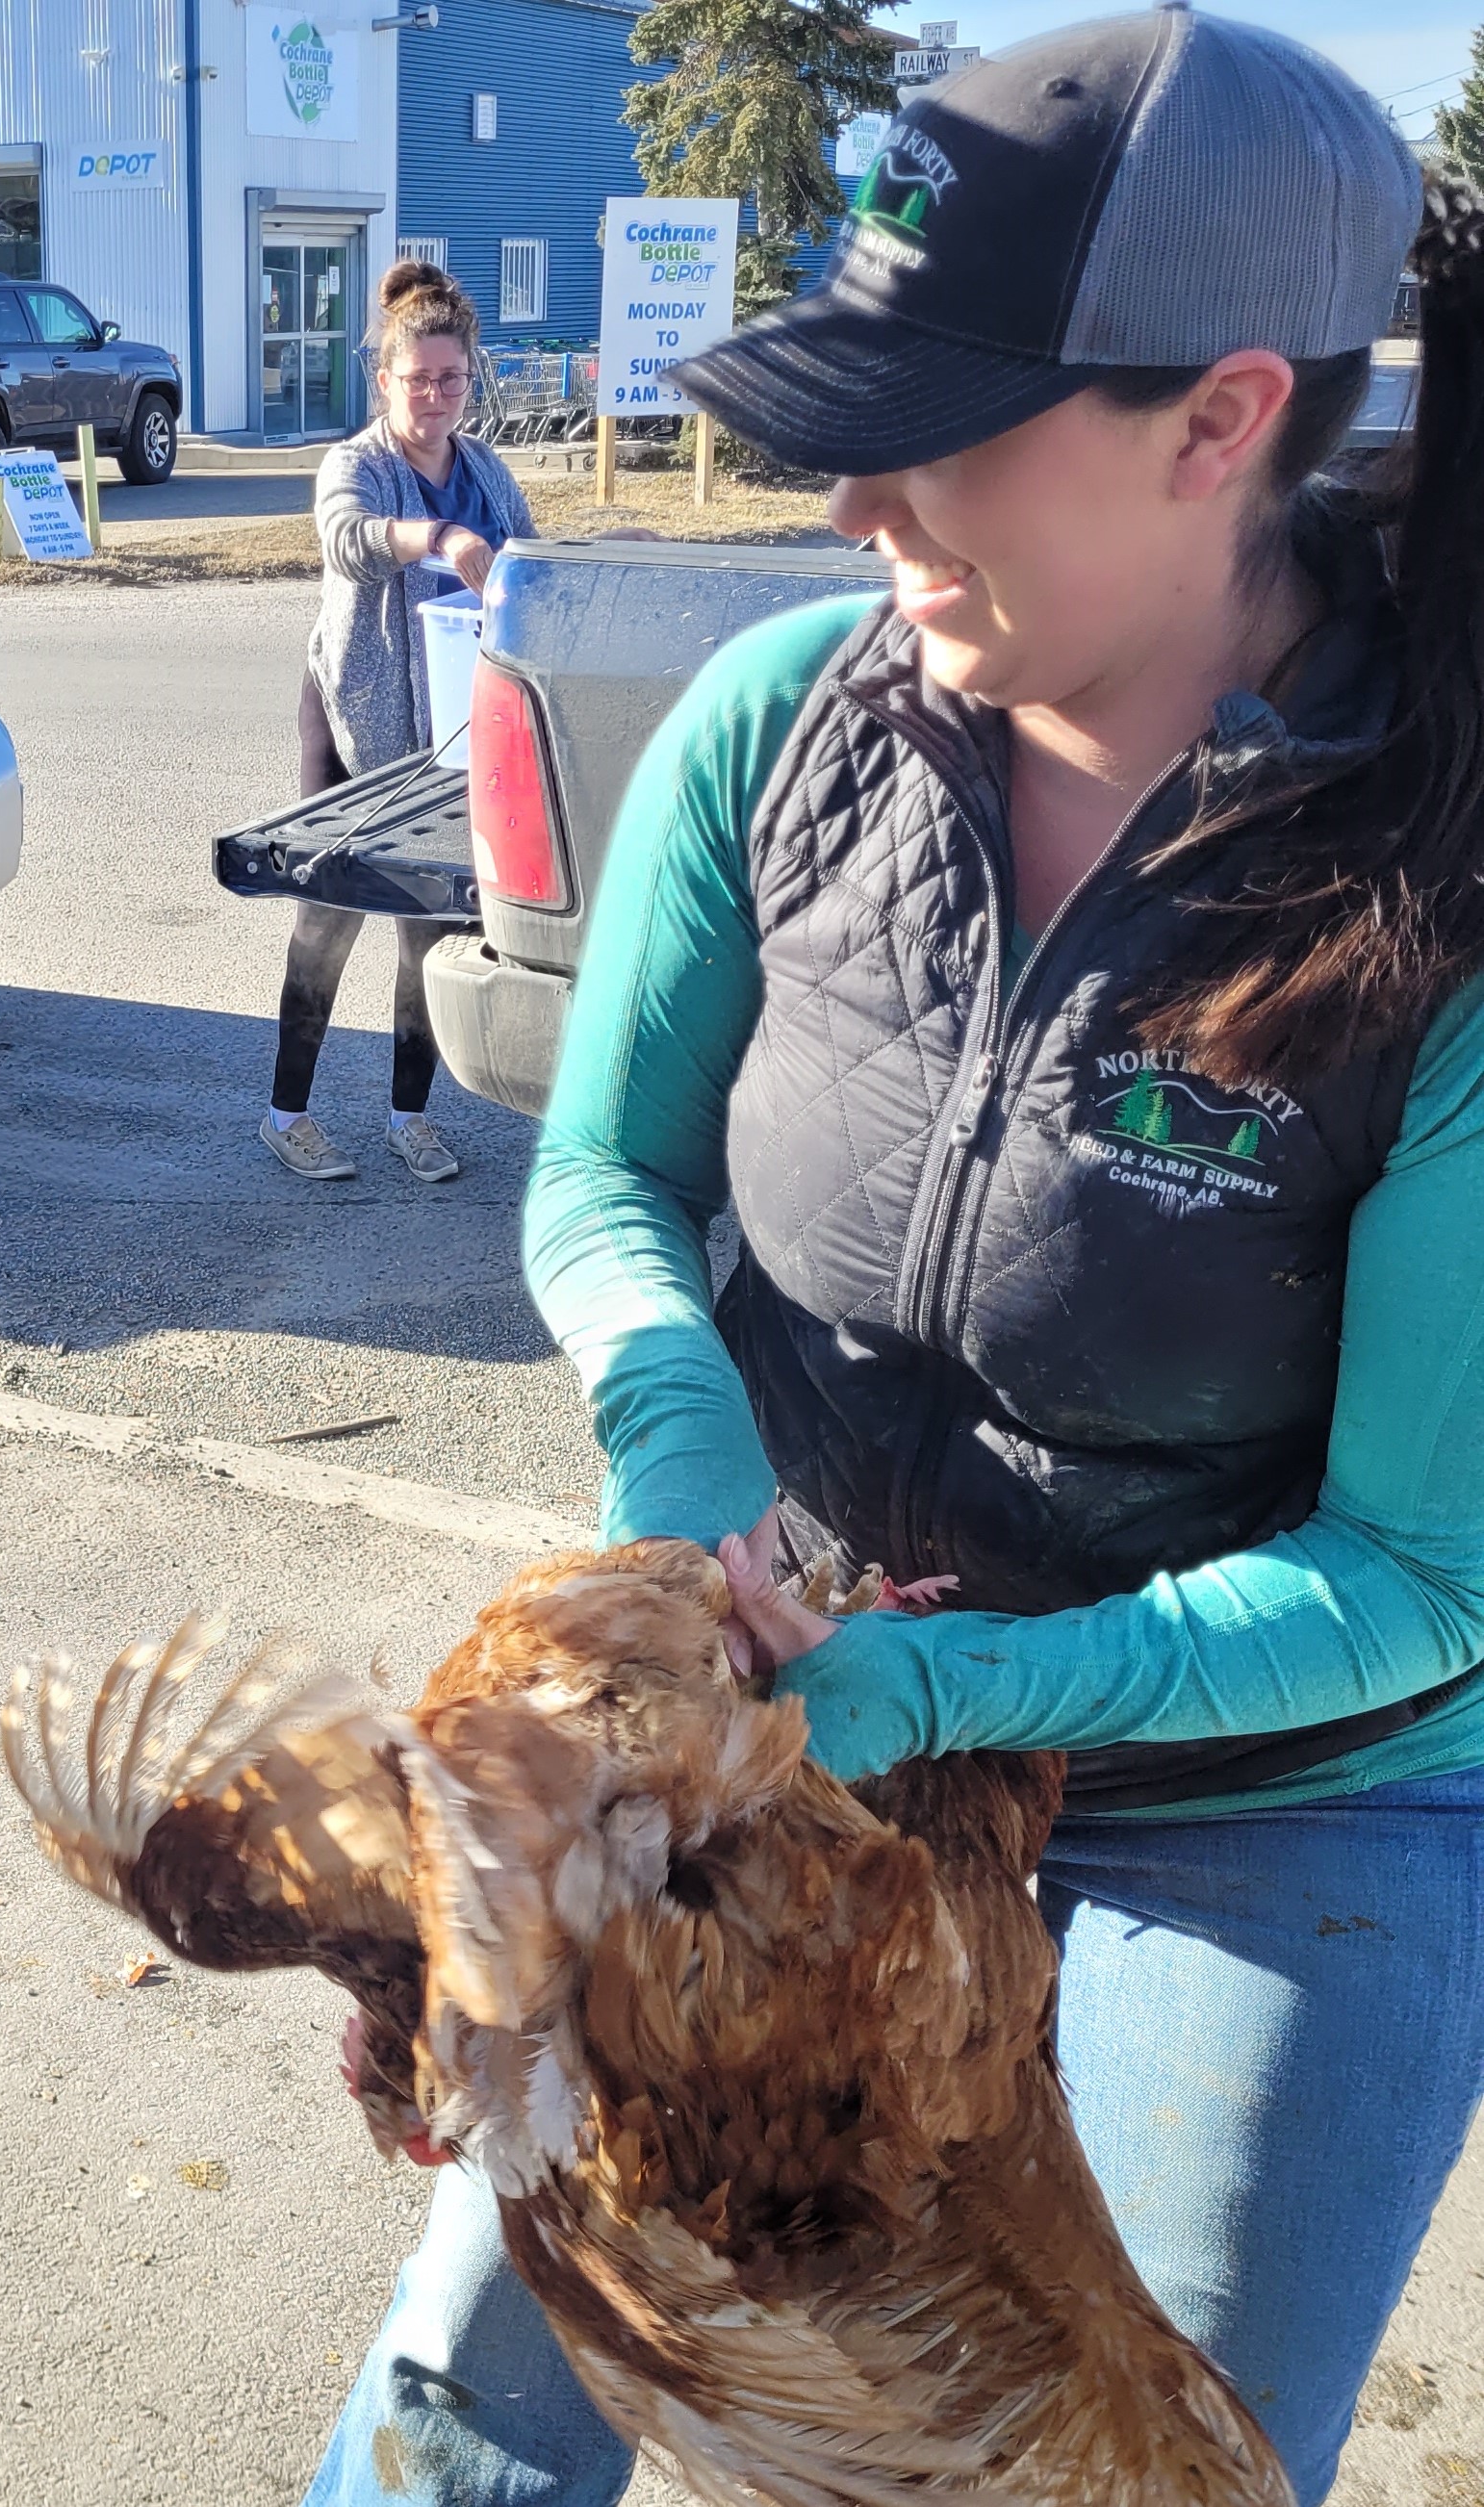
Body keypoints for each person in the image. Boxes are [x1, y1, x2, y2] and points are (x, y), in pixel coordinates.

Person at [304, 11, 1484, 2505]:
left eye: (934, 433)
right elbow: (602, 1177)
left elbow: (1409, 1569)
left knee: (1107, 2452)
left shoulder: (1432, 893)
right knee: (478, 2387)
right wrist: (679, 1427)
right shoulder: (775, 725)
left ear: (1218, 415)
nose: (850, 500)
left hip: (1276, 1797)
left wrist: (946, 1681)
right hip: (783, 1706)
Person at [262, 259, 533, 1187]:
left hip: (453, 734)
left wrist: (601, 551)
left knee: (429, 926)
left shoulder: (487, 473)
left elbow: (525, 562)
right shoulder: (358, 464)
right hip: (352, 718)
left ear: (469, 379)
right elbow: (345, 537)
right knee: (328, 913)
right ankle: (286, 1113)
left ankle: (407, 1117)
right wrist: (435, 538)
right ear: (385, 380)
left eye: (450, 379)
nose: (434, 395)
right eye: (417, 379)